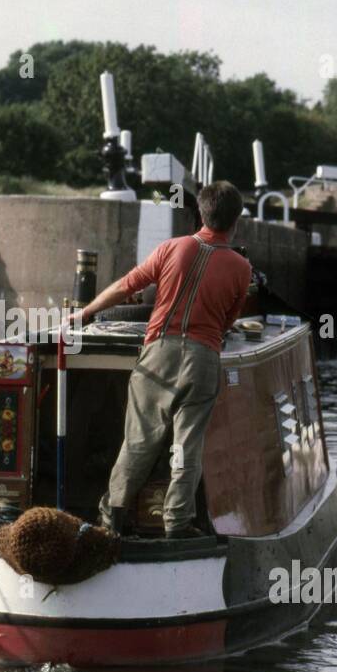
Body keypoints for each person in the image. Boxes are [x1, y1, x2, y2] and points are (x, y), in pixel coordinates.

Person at [74, 180, 252, 538]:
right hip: (202, 359)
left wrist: (86, 313)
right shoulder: (241, 268)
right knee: (186, 448)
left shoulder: (171, 248)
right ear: (236, 221)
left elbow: (127, 285)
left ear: (200, 213)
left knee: (138, 442)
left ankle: (111, 521)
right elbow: (228, 322)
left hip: (157, 353)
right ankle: (177, 524)